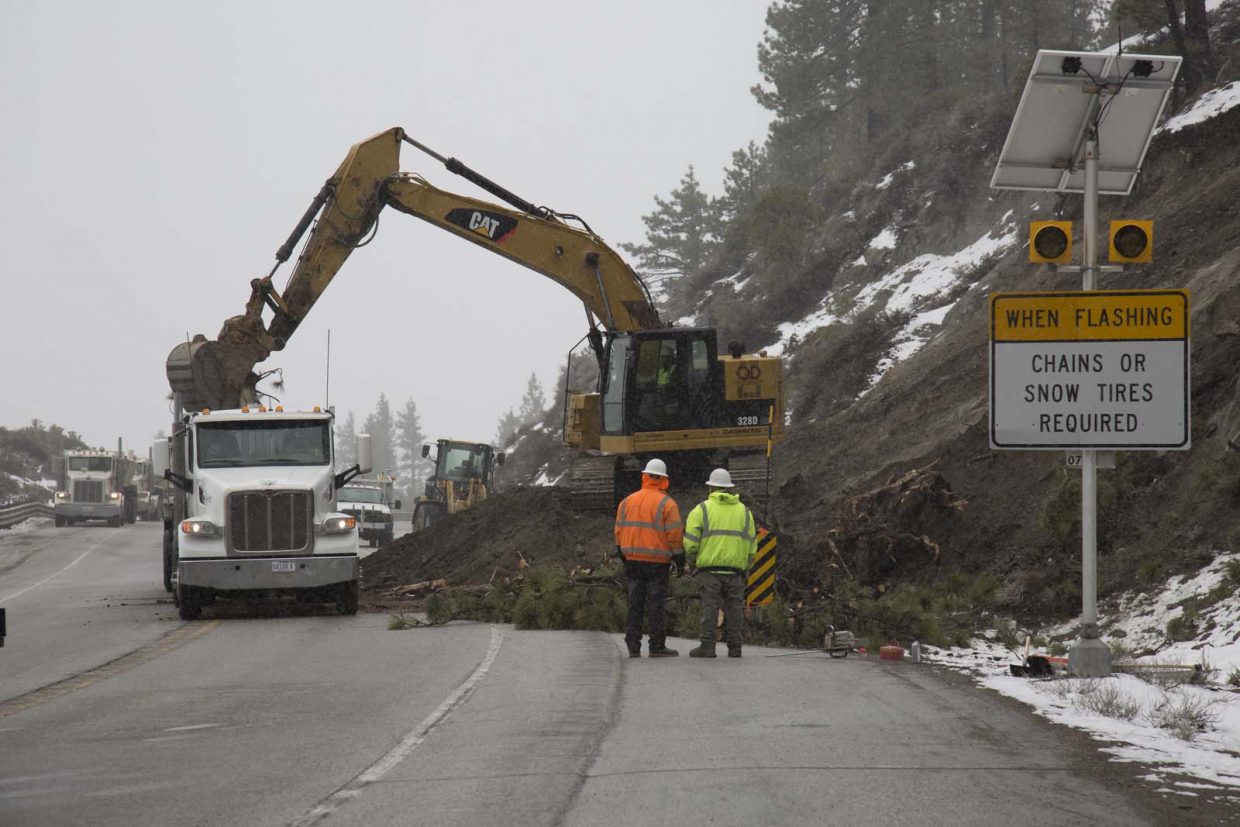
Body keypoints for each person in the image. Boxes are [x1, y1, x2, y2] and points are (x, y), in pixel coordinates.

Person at [683, 468, 757, 658]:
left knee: (710, 607)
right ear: (729, 488)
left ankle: (707, 646)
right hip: (735, 571)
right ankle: (735, 647)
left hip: (709, 570)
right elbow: (751, 544)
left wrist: (692, 561)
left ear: (711, 488)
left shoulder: (702, 510)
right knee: (735, 609)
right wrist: (747, 566)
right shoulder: (744, 512)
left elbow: (691, 543)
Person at [614, 458, 685, 658]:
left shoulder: (627, 501)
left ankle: (633, 644)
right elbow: (675, 535)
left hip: (633, 561)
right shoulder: (667, 504)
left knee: (635, 603)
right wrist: (680, 560)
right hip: (657, 564)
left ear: (644, 476)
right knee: (656, 605)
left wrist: (623, 555)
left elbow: (618, 531)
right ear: (664, 479)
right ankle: (657, 646)